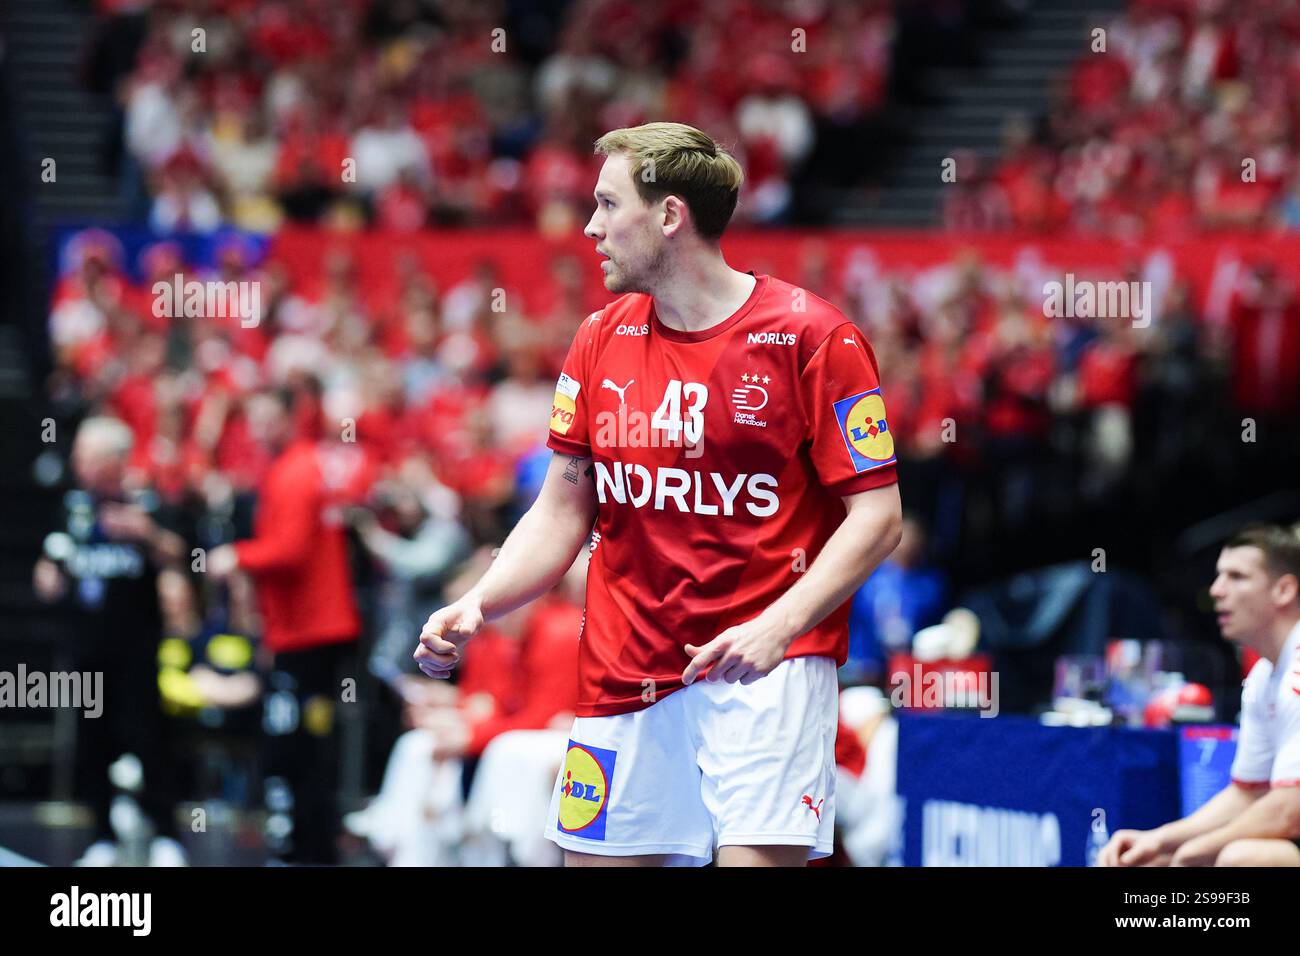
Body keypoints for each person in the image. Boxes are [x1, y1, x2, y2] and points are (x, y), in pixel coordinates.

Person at [415, 122, 903, 867]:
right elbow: (561, 510)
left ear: (669, 216)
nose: (590, 226)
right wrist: (481, 600)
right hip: (625, 666)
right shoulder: (598, 338)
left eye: (608, 205)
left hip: (765, 669)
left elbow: (878, 516)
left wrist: (779, 628)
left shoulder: (813, 337)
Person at [208, 385, 361, 863]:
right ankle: (307, 845)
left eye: (265, 419)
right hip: (303, 630)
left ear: (287, 420)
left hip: (312, 633)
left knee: (299, 745)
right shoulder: (293, 468)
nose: (256, 430)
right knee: (301, 742)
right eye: (251, 421)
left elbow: (290, 549)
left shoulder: (295, 472)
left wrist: (236, 555)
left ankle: (307, 848)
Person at [33, 416, 190, 866]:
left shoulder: (146, 503)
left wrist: (147, 533)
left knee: (150, 739)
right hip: (86, 649)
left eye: (89, 456)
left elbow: (183, 555)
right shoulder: (73, 507)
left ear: (115, 460)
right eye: (79, 455)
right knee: (91, 741)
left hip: (138, 648)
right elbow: (49, 569)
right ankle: (101, 836)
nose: (79, 464)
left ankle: (165, 836)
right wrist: (49, 574)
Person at [1099, 524, 1300, 867]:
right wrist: (1158, 840)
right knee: (1155, 861)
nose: (1217, 590)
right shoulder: (1263, 677)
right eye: (1218, 576)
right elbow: (1246, 793)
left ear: (1283, 590)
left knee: (1244, 858)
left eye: (1237, 577)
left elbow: (1290, 809)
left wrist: (1197, 849)